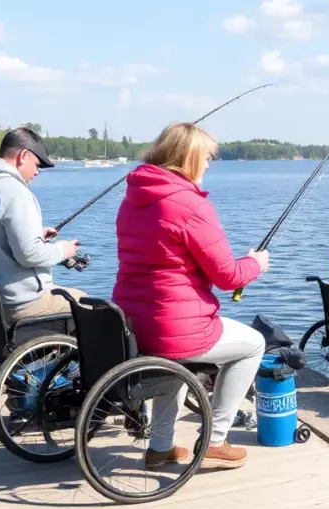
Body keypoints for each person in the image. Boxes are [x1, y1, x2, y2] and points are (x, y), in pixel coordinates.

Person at [113, 122, 270, 470]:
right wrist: (256, 264)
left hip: (133, 323)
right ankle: (215, 440)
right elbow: (227, 276)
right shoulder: (190, 205)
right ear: (190, 157)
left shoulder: (132, 199)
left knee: (173, 361)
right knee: (253, 345)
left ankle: (160, 447)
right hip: (172, 326)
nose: (210, 165)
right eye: (208, 157)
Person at [0, 128, 86, 321]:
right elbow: (29, 254)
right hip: (21, 303)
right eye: (37, 164)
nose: (37, 172)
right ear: (23, 156)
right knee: (93, 308)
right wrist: (64, 250)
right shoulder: (14, 191)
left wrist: (35, 235)